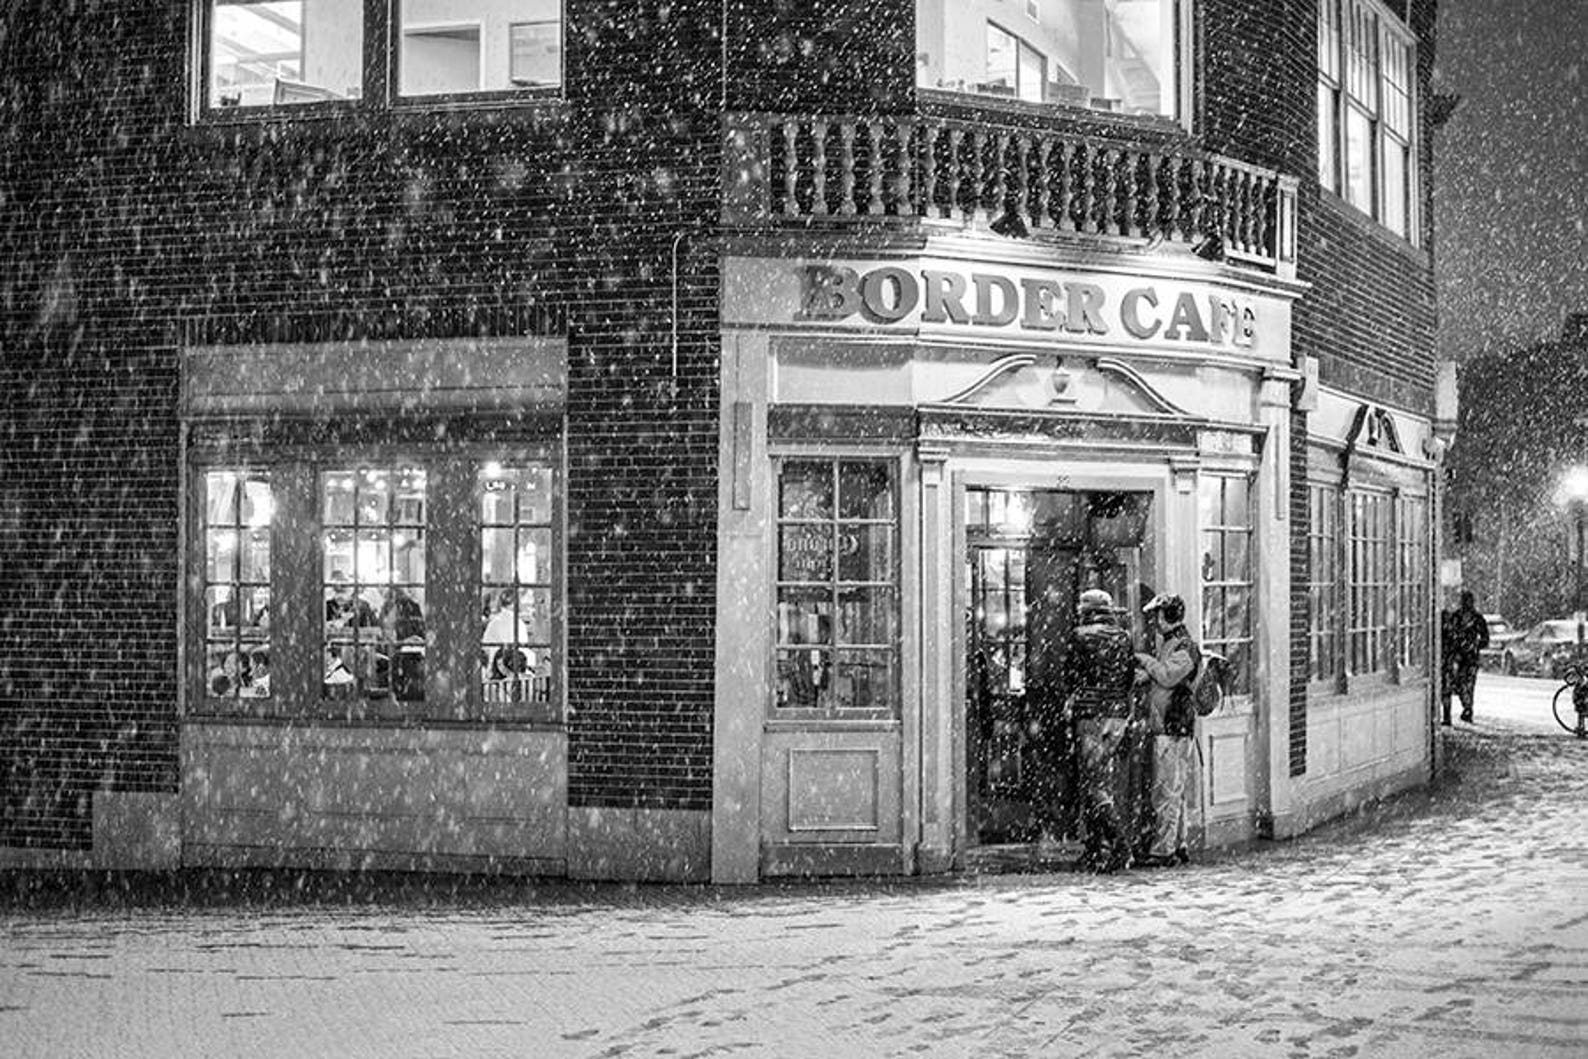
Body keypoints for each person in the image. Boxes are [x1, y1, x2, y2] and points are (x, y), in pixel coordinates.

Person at [1059, 588, 1138, 873]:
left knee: (1093, 785)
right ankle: (1093, 849)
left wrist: (1076, 701)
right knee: (1100, 782)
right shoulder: (1124, 637)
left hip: (1089, 715)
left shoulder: (1079, 636)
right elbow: (1129, 676)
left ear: (1086, 610)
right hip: (1116, 715)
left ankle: (1120, 846)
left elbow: (1071, 676)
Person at [1134, 593, 1198, 868]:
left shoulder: (1184, 647)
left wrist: (1146, 662)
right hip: (1169, 726)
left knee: (1166, 791)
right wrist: (1152, 672)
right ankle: (1178, 843)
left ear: (1165, 617)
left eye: (1157, 616)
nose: (1155, 622)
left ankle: (1163, 850)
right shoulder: (1174, 644)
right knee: (1175, 790)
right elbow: (1166, 675)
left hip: (1174, 728)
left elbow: (1169, 676)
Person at [1441, 590, 1489, 724]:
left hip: (1470, 658)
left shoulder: (1477, 619)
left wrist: (1474, 645)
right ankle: (1464, 708)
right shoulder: (1456, 617)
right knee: (1457, 684)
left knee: (1467, 684)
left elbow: (1485, 639)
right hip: (1457, 657)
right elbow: (1450, 634)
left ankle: (1467, 708)